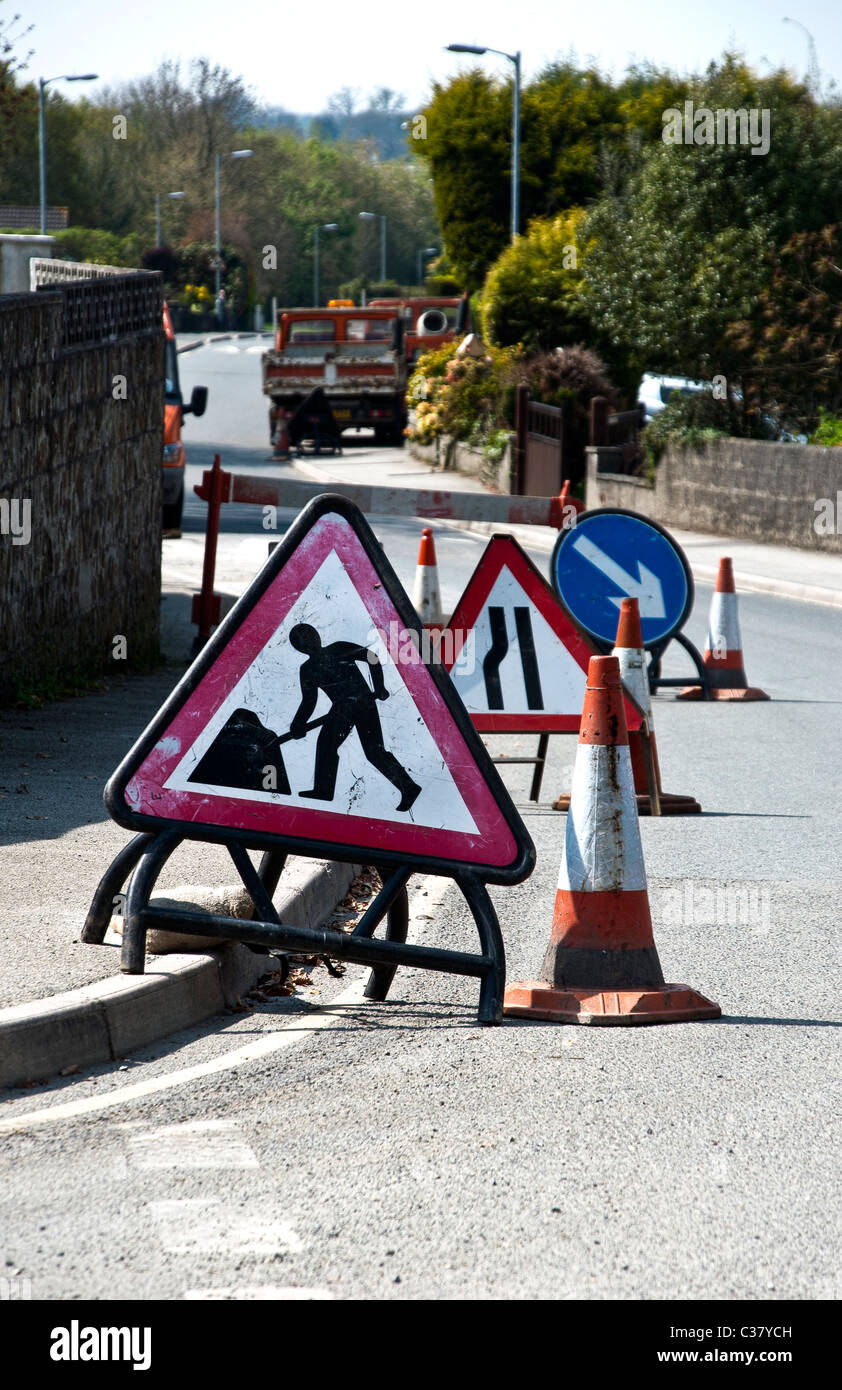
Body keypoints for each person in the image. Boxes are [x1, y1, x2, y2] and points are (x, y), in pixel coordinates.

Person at [288, 623, 421, 811]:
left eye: (310, 635)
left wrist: (379, 687)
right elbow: (309, 701)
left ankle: (408, 787)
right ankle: (323, 791)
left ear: (317, 635)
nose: (309, 642)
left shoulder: (339, 648)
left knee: (374, 751)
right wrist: (298, 724)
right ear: (299, 648)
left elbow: (372, 658)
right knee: (326, 745)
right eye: (303, 641)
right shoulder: (307, 669)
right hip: (341, 710)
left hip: (363, 703)